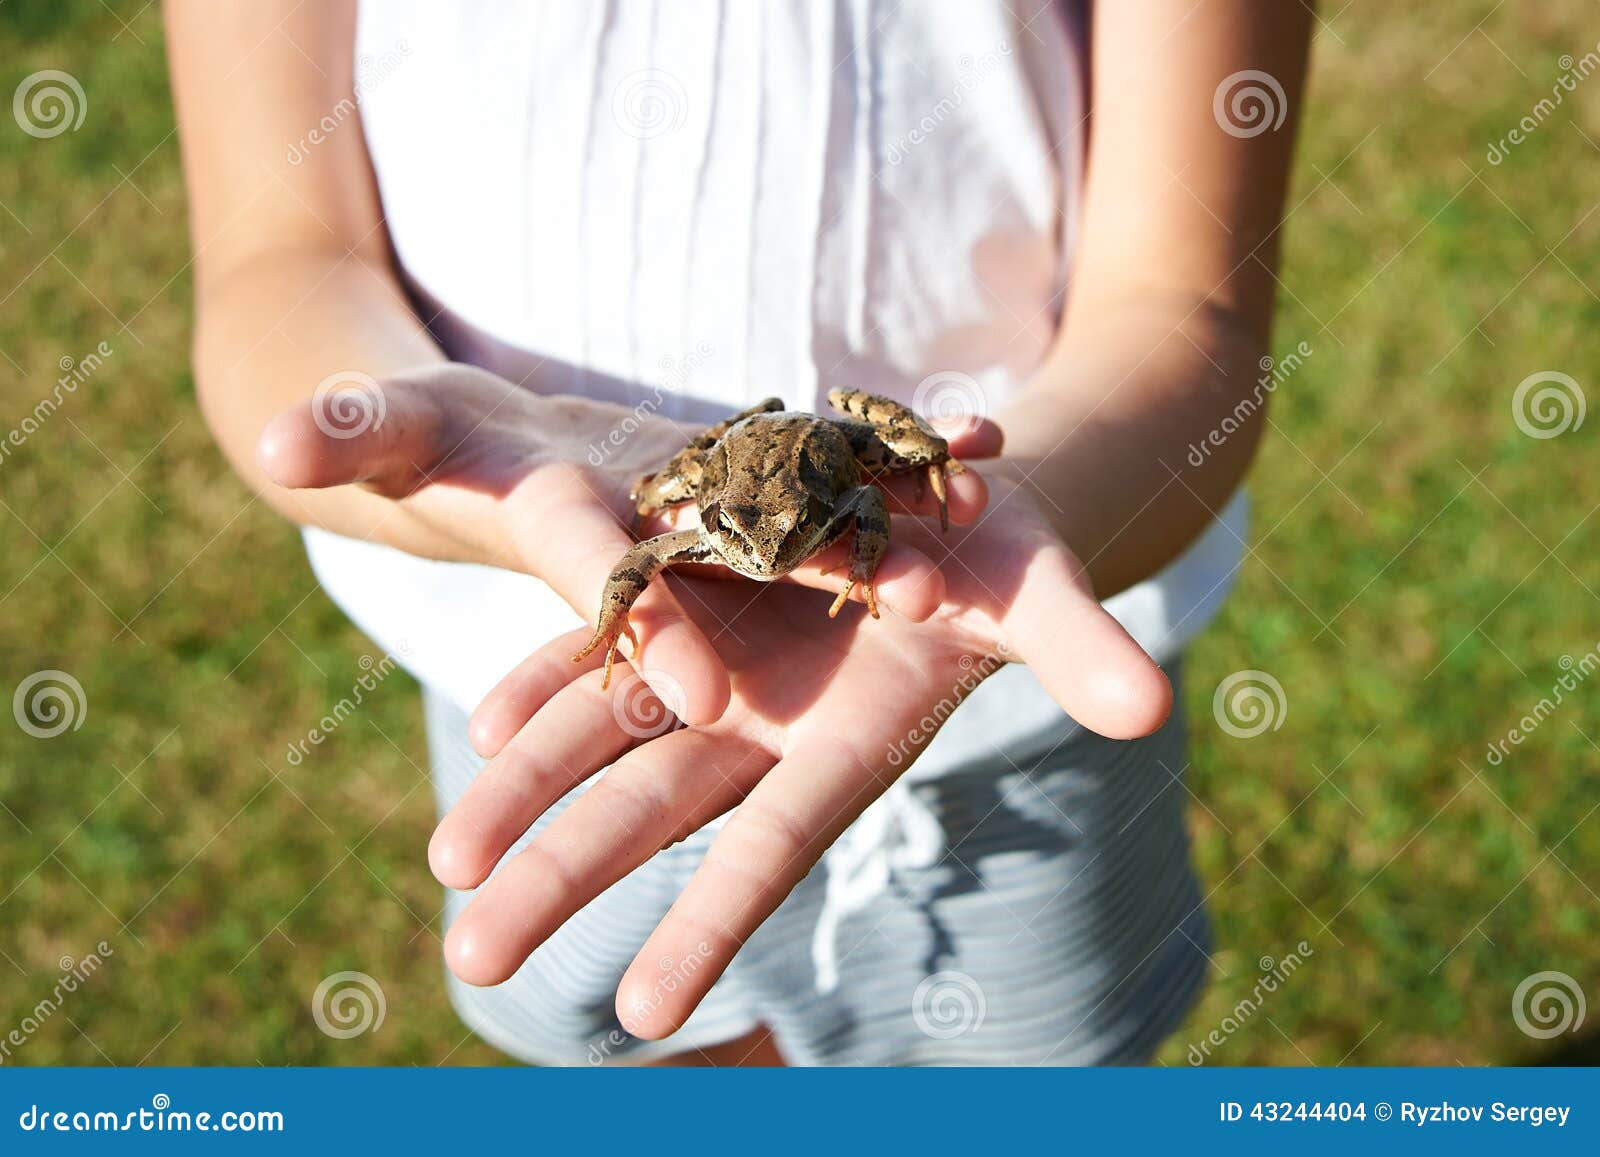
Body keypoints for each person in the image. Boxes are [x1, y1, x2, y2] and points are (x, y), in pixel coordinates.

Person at [167, 0, 1310, 1065]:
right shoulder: (703, 530)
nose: (767, 560)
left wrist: (1003, 506)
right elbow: (281, 256)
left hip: (1015, 694)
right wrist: (601, 591)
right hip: (547, 681)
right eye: (747, 543)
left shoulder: (840, 516)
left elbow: (1180, 304)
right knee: (642, 1043)